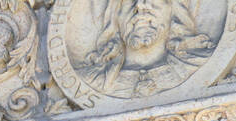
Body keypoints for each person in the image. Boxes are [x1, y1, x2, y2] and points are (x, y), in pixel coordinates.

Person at [81, 0, 217, 97]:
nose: (140, 5)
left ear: (174, 11)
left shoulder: (198, 65)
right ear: (115, 16)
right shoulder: (91, 80)